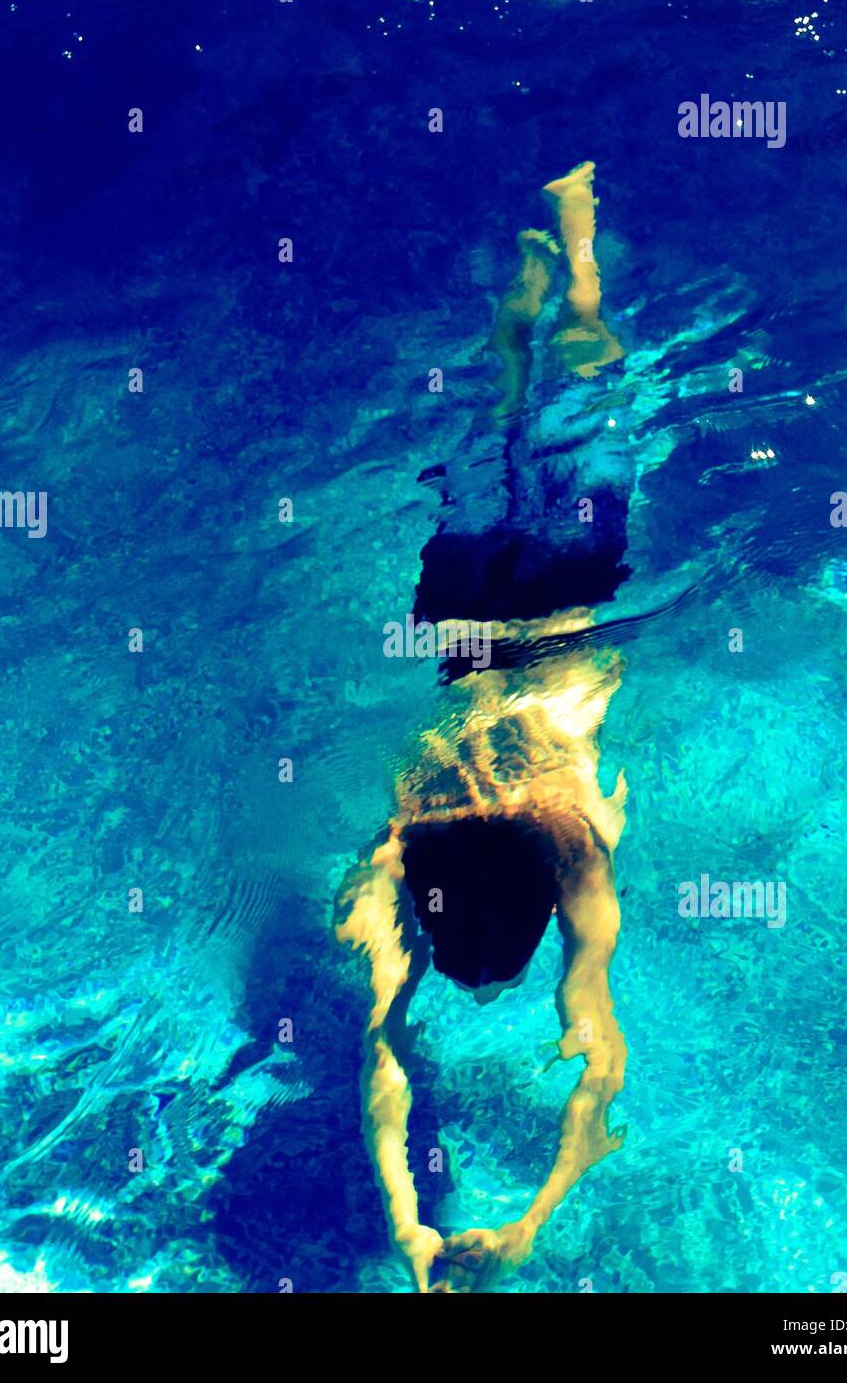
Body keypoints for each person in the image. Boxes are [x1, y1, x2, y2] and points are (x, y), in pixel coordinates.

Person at [335, 162, 630, 1294]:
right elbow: (380, 1055)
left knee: (584, 419)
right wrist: (416, 1223)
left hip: (566, 617)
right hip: (460, 634)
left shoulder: (577, 856)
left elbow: (596, 1073)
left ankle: (578, 253)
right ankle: (520, 297)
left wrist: (525, 1220)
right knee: (485, 445)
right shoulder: (401, 849)